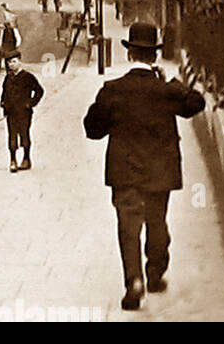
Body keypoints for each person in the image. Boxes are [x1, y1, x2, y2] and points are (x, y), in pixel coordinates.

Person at [83, 23, 205, 310]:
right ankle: (155, 273)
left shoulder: (112, 89)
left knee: (128, 227)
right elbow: (195, 104)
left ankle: (134, 281)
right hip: (160, 171)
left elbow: (93, 129)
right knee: (157, 221)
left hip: (124, 172)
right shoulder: (165, 90)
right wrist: (174, 84)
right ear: (153, 57)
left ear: (130, 55)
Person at [0, 52, 44, 171]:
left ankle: (26, 159)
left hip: (24, 112)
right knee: (12, 135)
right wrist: (3, 103)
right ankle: (13, 160)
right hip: (11, 112)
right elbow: (5, 91)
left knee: (24, 134)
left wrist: (30, 103)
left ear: (19, 61)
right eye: (9, 62)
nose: (11, 65)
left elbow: (39, 91)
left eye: (14, 62)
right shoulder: (8, 78)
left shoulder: (27, 77)